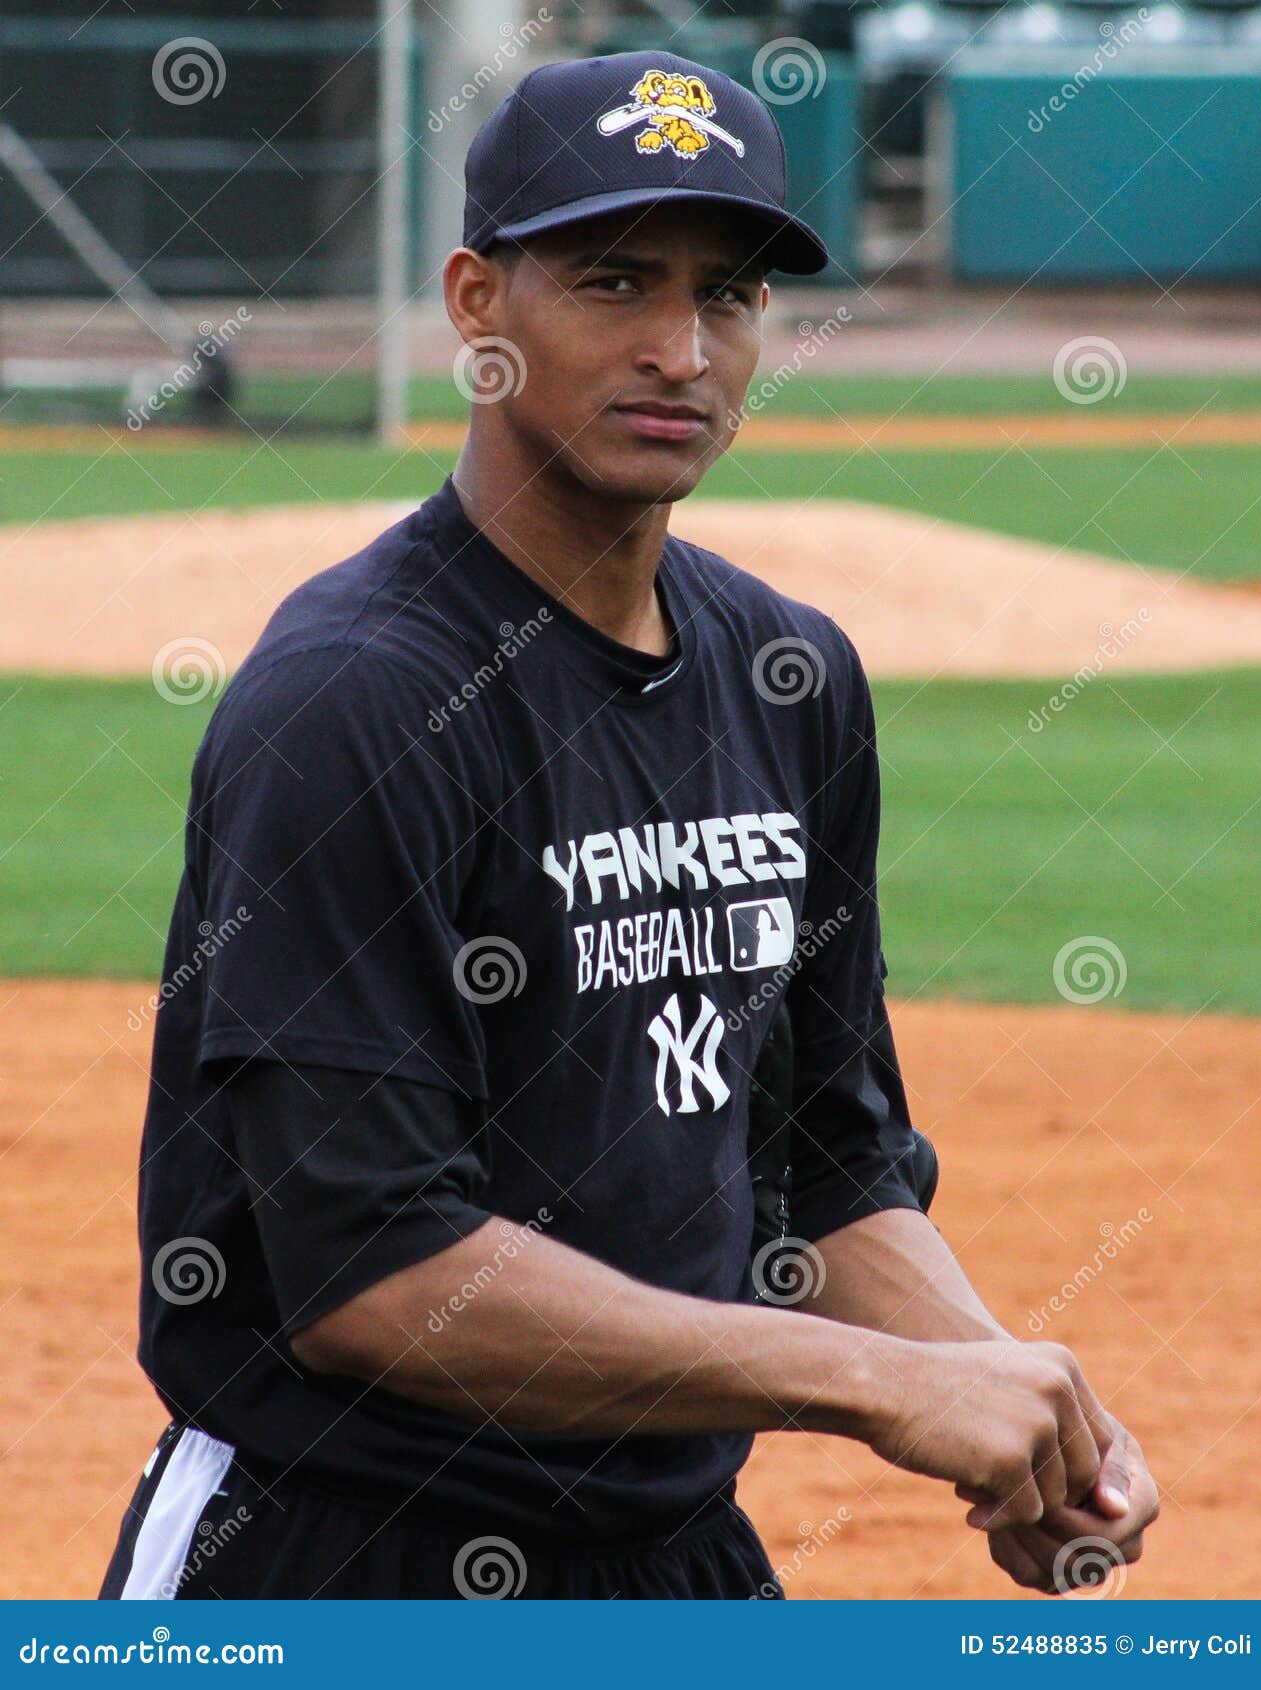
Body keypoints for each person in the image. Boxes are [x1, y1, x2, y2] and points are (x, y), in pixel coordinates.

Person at [101, 50, 1157, 1601]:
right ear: (476, 302)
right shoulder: (355, 703)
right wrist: (864, 1382)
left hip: (667, 1552)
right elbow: (374, 1276)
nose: (679, 347)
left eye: (726, 295)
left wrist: (1007, 1400)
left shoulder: (790, 679)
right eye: (611, 279)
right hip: (338, 1554)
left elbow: (825, 1163)